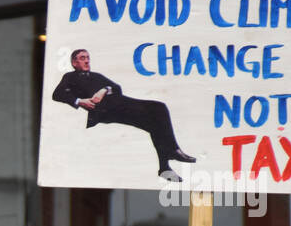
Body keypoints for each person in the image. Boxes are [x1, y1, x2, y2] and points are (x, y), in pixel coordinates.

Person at [51, 49, 196, 183]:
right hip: (104, 111)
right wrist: (80, 102)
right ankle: (172, 151)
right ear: (74, 62)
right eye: (83, 58)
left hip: (121, 103)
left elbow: (117, 88)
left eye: (88, 58)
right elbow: (57, 94)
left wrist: (103, 89)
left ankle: (165, 166)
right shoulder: (69, 77)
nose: (87, 61)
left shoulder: (96, 76)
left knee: (157, 113)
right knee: (157, 111)